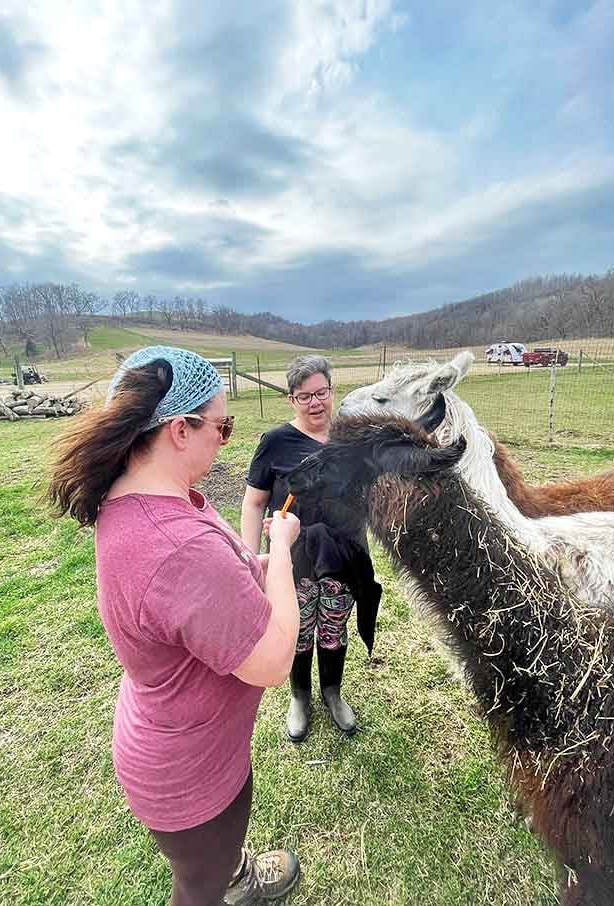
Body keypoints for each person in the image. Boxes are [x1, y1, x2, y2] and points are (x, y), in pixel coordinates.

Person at [47, 346, 302, 906]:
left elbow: (199, 596)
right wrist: (280, 553)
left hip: (171, 743)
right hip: (192, 777)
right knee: (197, 889)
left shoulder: (141, 504)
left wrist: (250, 568)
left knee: (210, 865)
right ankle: (227, 880)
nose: (224, 436)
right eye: (221, 423)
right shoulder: (178, 545)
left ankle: (233, 873)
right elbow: (275, 660)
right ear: (178, 430)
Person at [241, 355, 381, 744]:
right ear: (291, 400)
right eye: (305, 396)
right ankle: (299, 696)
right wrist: (250, 559)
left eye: (321, 393)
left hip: (345, 555)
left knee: (333, 627)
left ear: (332, 391)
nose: (315, 403)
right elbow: (254, 503)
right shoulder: (275, 442)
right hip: (294, 557)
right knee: (297, 630)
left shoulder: (352, 438)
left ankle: (332, 691)